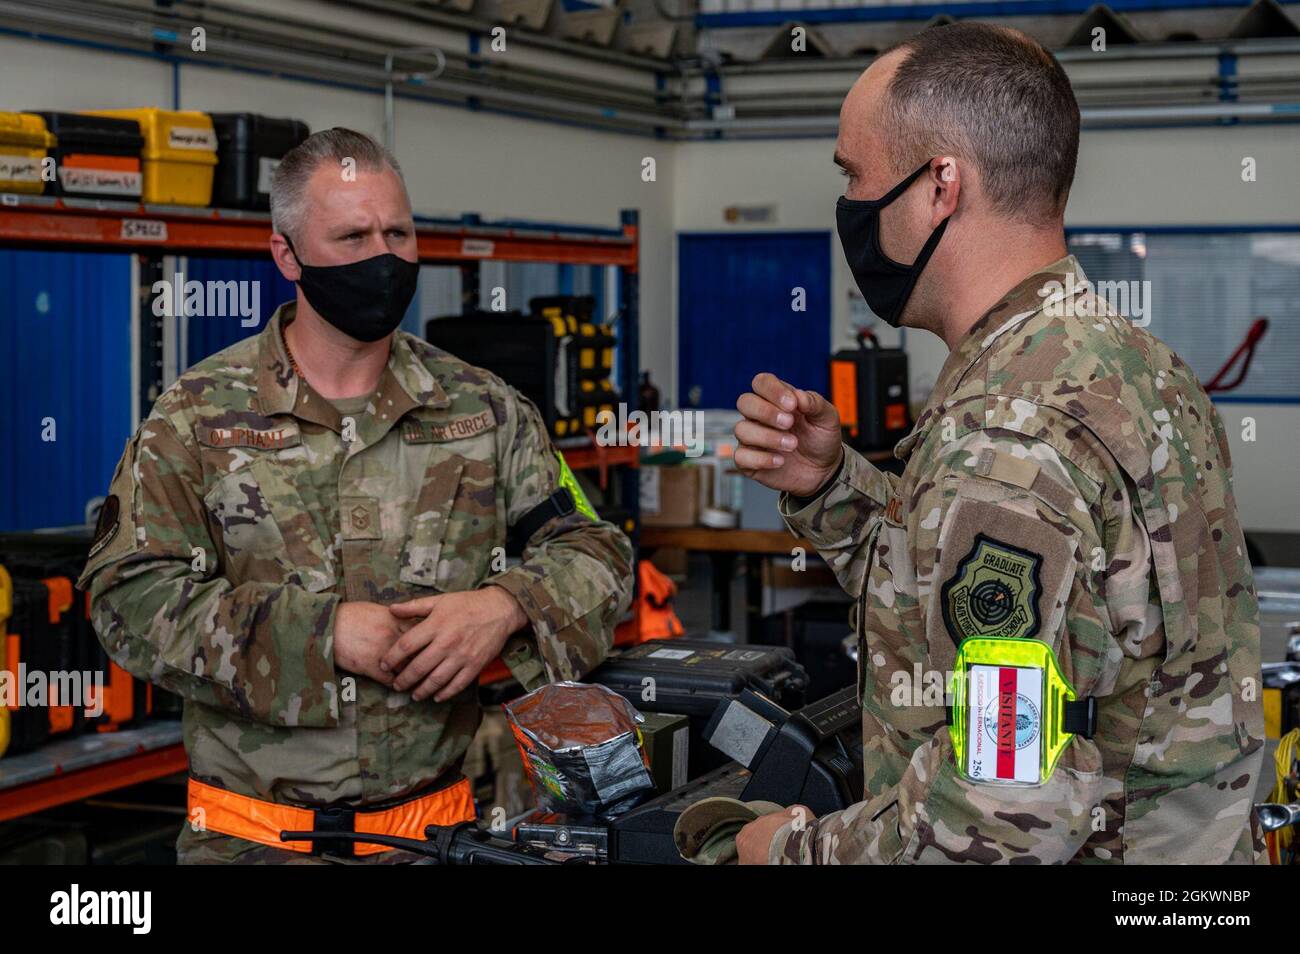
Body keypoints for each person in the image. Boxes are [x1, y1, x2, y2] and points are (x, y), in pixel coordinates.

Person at [731, 23, 1264, 864]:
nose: (851, 206)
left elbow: (998, 816)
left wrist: (787, 851)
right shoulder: (1134, 363)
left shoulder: (1004, 432)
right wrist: (834, 485)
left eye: (855, 174)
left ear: (941, 184)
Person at [79, 128, 633, 864]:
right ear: (288, 255)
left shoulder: (484, 410)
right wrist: (321, 635)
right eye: (352, 236)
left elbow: (598, 551)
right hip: (252, 845)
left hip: (438, 841)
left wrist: (505, 606)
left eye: (398, 232)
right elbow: (125, 597)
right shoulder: (197, 416)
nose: (384, 257)